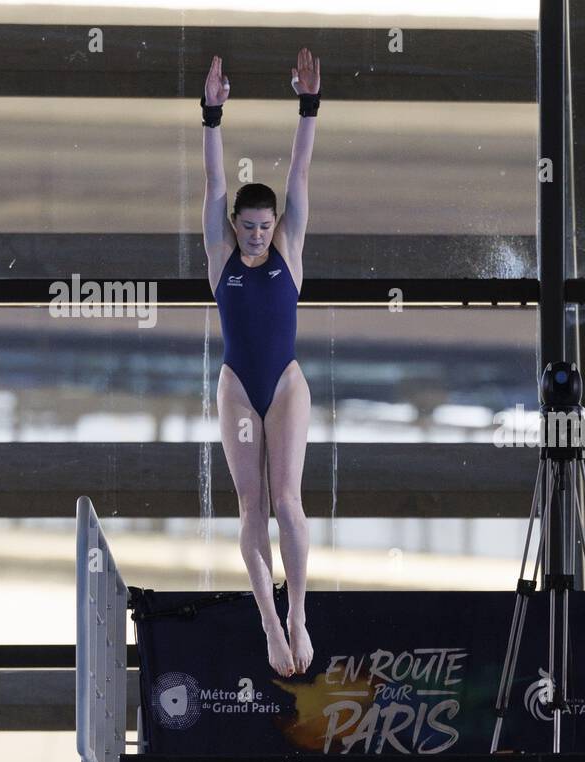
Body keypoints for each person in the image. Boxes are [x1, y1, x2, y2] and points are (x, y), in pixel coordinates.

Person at [201, 49, 321, 677]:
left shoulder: (288, 249)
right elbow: (213, 184)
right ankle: (271, 626)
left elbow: (300, 171)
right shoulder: (220, 255)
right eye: (246, 226)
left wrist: (308, 106)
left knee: (287, 499)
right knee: (251, 506)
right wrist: (211, 114)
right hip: (238, 390)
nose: (255, 236)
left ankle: (298, 616)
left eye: (263, 226)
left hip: (286, 385)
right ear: (234, 226)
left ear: (276, 225)